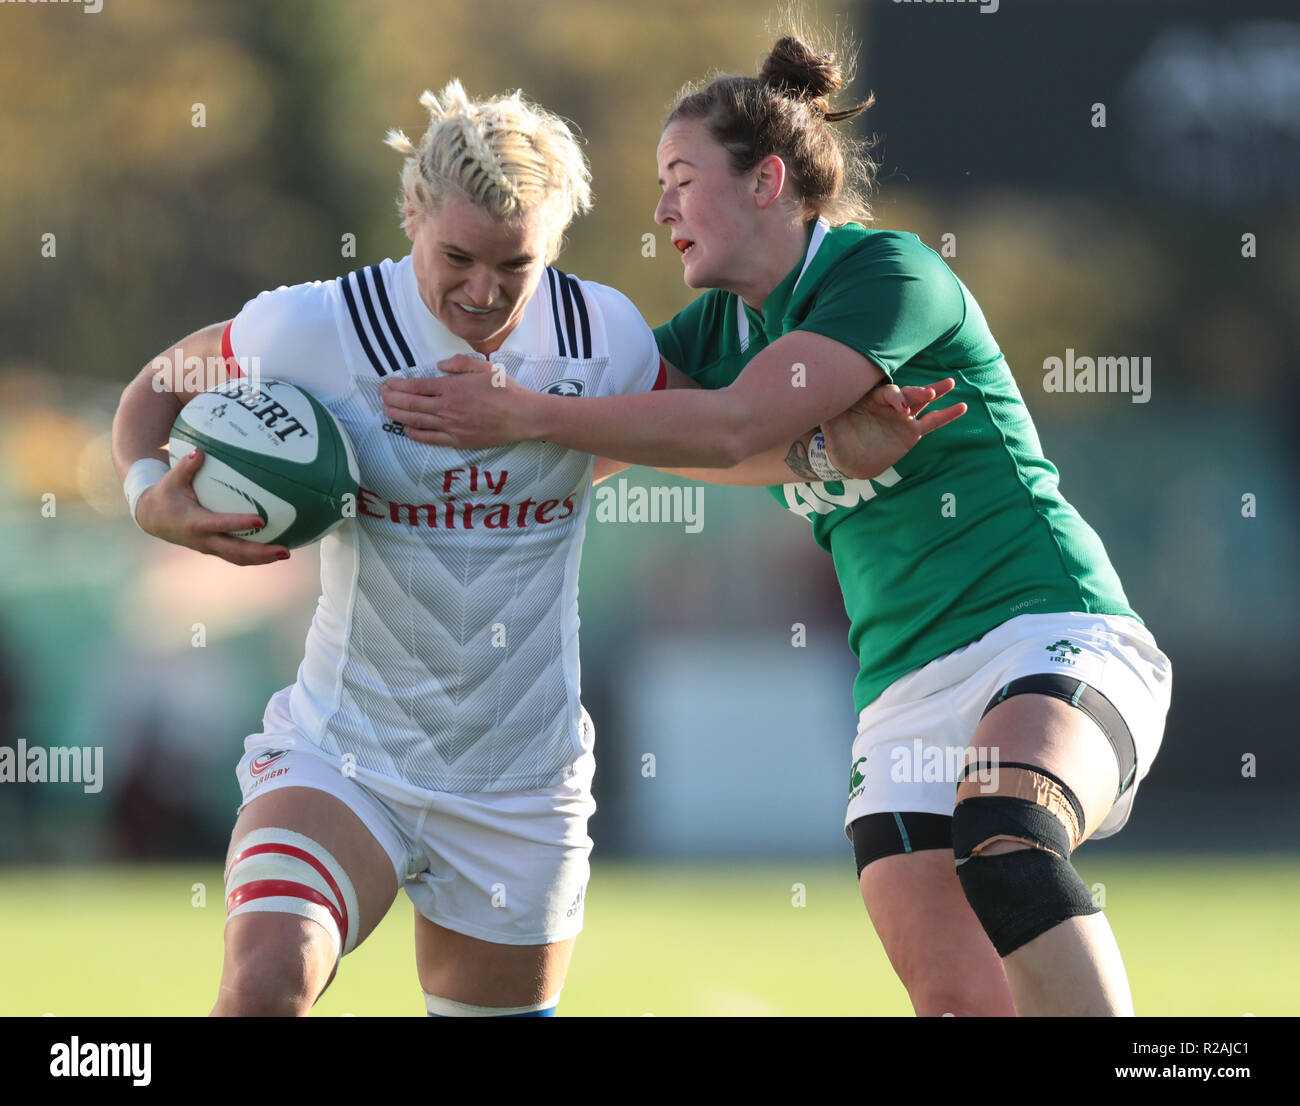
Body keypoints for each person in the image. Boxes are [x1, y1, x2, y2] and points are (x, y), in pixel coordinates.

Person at [379, 34, 1174, 1017]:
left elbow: (731, 426)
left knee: (1008, 834)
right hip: (901, 691)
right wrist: (367, 457)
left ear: (765, 181)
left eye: (681, 180)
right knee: (958, 999)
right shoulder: (714, 332)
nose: (662, 210)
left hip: (1046, 630)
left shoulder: (888, 274)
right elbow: (592, 442)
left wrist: (524, 413)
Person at [110, 79, 941, 1017]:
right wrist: (148, 496)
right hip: (346, 756)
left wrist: (823, 454)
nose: (483, 291)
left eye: (516, 264)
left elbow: (695, 443)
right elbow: (159, 385)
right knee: (268, 978)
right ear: (414, 214)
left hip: (520, 787)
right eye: (457, 257)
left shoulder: (601, 334)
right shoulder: (316, 327)